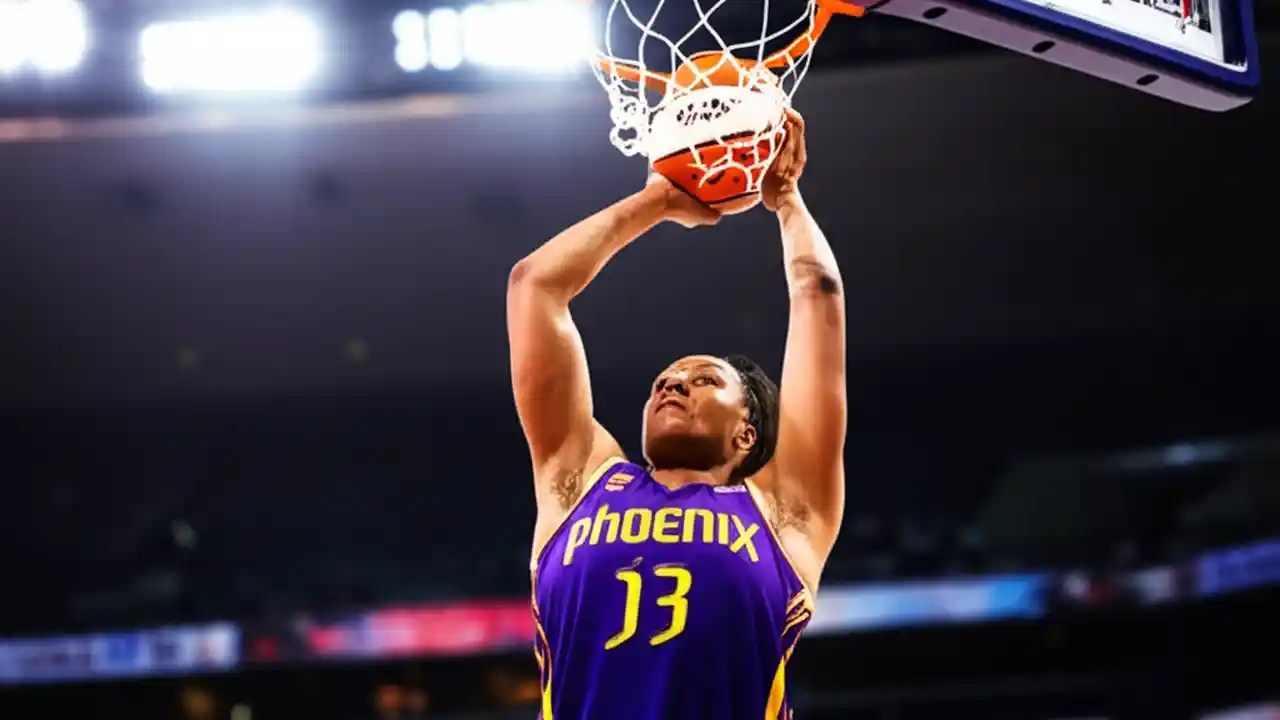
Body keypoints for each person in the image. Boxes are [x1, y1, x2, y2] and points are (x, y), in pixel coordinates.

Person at [507, 108, 845, 719]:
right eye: (665, 379)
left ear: (748, 431)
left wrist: (787, 201)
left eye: (704, 379)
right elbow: (535, 287)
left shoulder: (786, 511)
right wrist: (658, 199)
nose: (673, 383)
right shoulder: (579, 478)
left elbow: (819, 299)